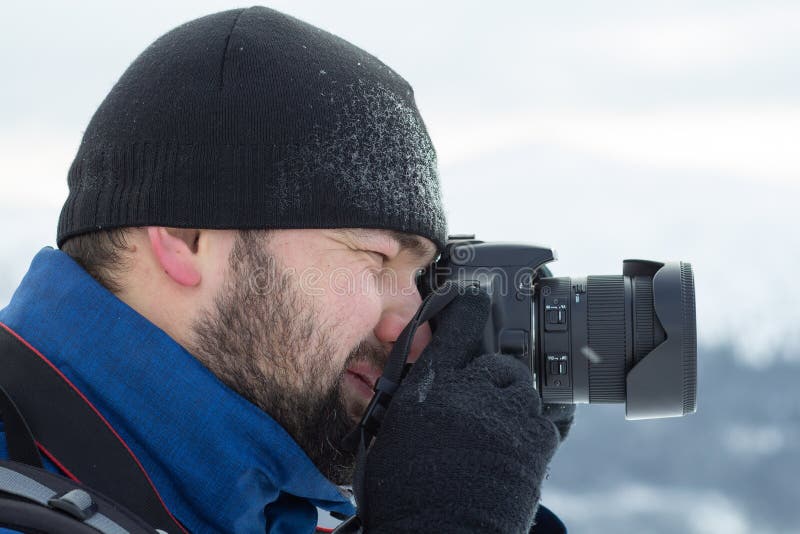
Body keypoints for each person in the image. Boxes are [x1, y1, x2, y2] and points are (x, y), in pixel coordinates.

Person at [0, 6, 573, 533]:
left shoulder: (263, 514)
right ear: (185, 236)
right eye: (376, 259)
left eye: (421, 278)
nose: (409, 325)